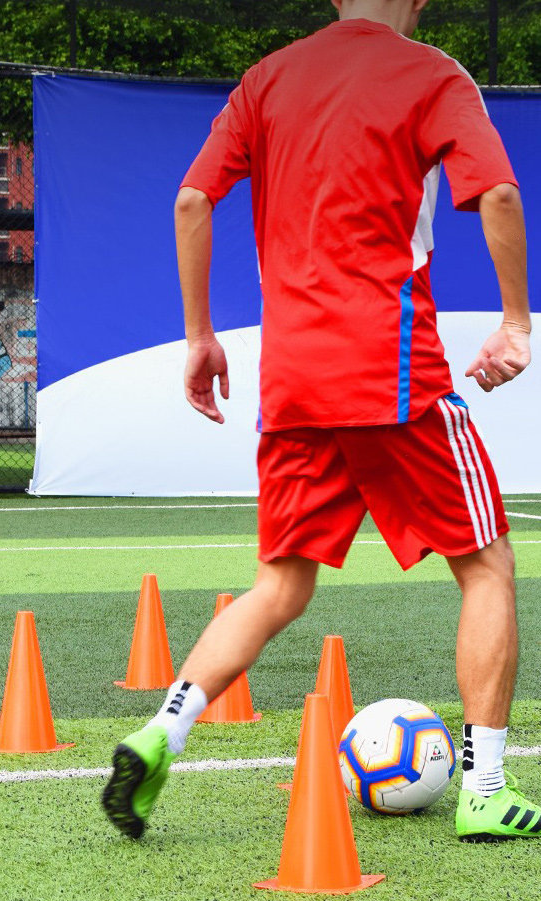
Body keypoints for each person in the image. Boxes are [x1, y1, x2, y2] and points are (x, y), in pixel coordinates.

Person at [102, 0, 536, 843]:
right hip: (393, 374)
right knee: (487, 564)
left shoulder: (268, 78)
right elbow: (501, 192)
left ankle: (163, 730)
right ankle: (486, 790)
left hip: (293, 384)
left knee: (280, 586)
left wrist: (199, 339)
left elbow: (194, 201)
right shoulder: (436, 75)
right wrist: (516, 322)